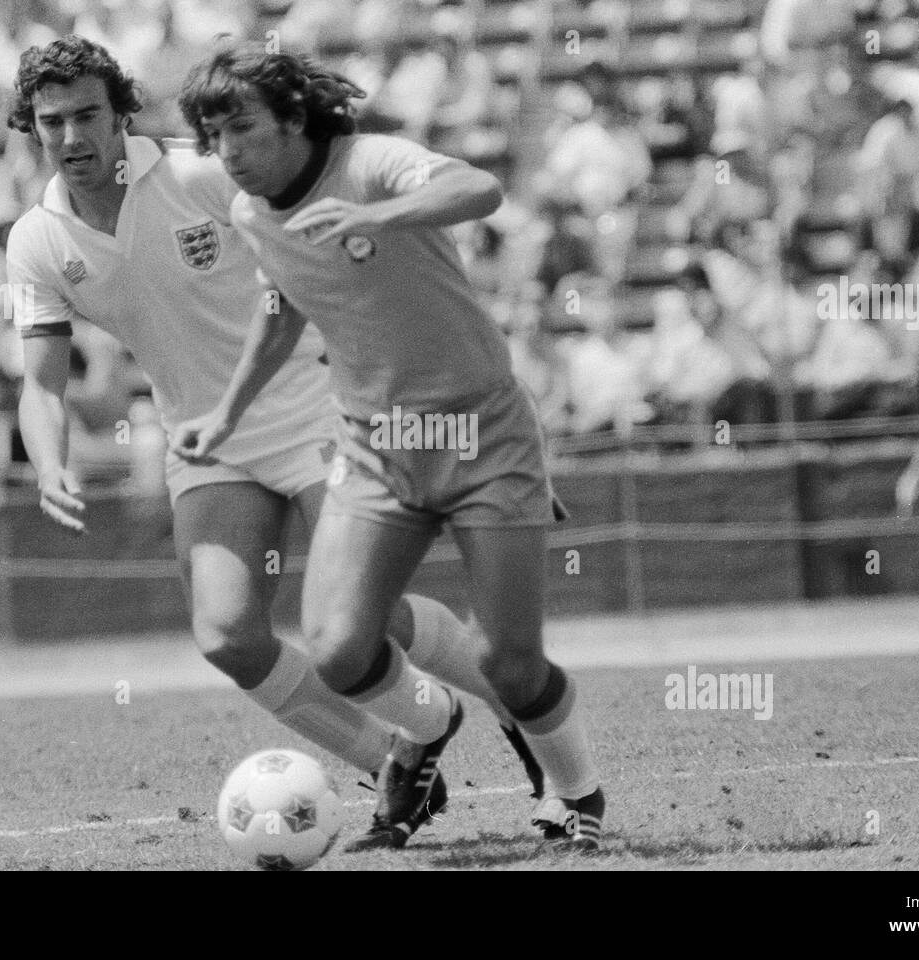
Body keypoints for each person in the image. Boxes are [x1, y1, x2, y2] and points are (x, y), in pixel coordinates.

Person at [3, 37, 542, 836]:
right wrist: (48, 462)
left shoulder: (200, 173)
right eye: (53, 123)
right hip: (207, 442)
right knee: (227, 636)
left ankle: (518, 712)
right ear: (32, 129)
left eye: (89, 115)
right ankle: (404, 751)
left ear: (123, 113)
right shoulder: (36, 240)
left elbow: (313, 239)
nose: (73, 137)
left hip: (318, 408)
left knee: (370, 620)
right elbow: (40, 383)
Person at [174, 42, 604, 853]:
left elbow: (480, 187)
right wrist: (225, 416)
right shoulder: (245, 212)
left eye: (243, 130)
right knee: (338, 649)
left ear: (294, 120)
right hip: (376, 444)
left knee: (511, 665)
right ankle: (430, 723)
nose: (228, 153)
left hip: (483, 433)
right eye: (214, 137)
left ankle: (579, 793)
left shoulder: (370, 162)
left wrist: (377, 215)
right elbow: (283, 305)